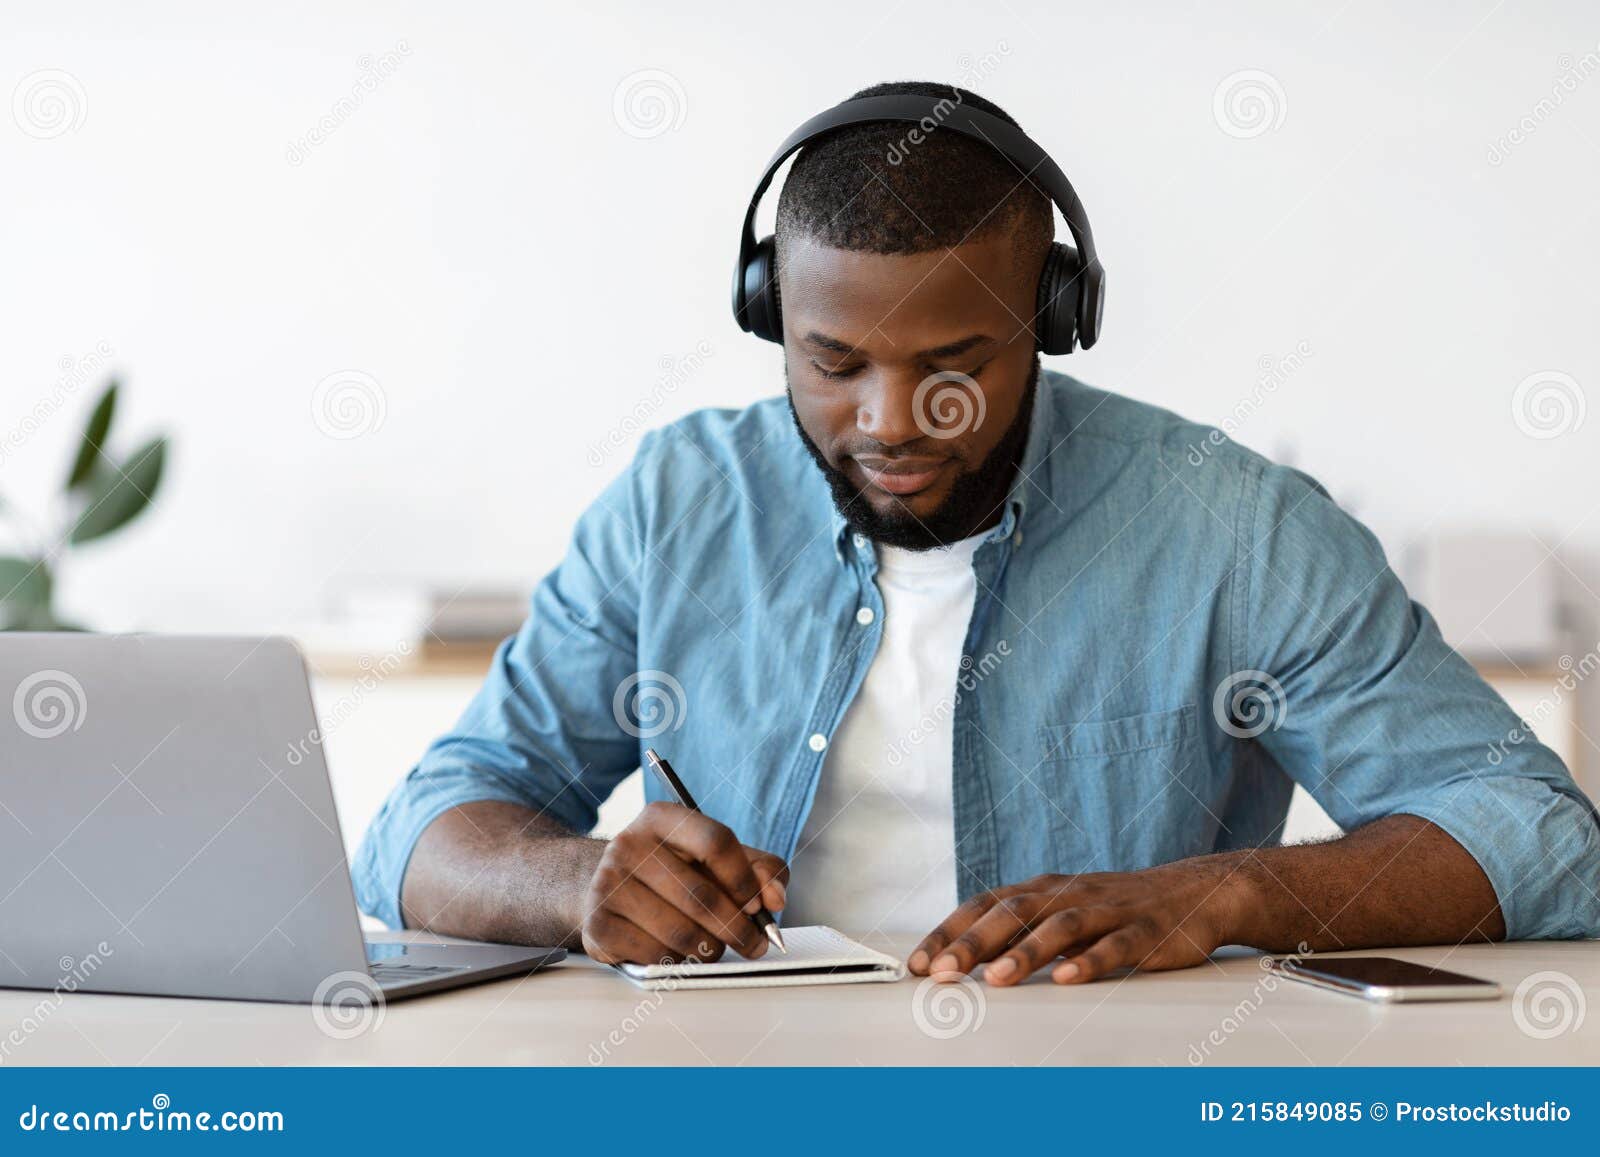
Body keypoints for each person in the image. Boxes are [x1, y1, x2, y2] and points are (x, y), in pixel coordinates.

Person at [353, 81, 1600, 988]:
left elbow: (1538, 836)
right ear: (765, 312)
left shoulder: (1234, 524)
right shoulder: (678, 501)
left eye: (956, 363)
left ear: (1051, 318)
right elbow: (423, 827)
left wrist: (1223, 894)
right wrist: (574, 885)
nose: (891, 423)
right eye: (831, 363)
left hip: (1102, 1097)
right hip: (731, 1089)